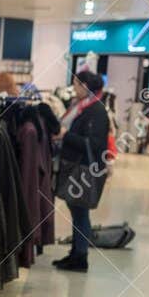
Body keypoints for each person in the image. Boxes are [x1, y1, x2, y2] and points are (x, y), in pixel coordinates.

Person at [53, 68, 111, 273]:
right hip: (79, 167)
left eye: (77, 84)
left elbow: (94, 144)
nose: (74, 88)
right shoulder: (83, 107)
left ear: (85, 87)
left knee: (80, 213)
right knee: (77, 212)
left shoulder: (96, 111)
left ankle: (80, 257)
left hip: (85, 169)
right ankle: (76, 253)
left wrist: (65, 135)